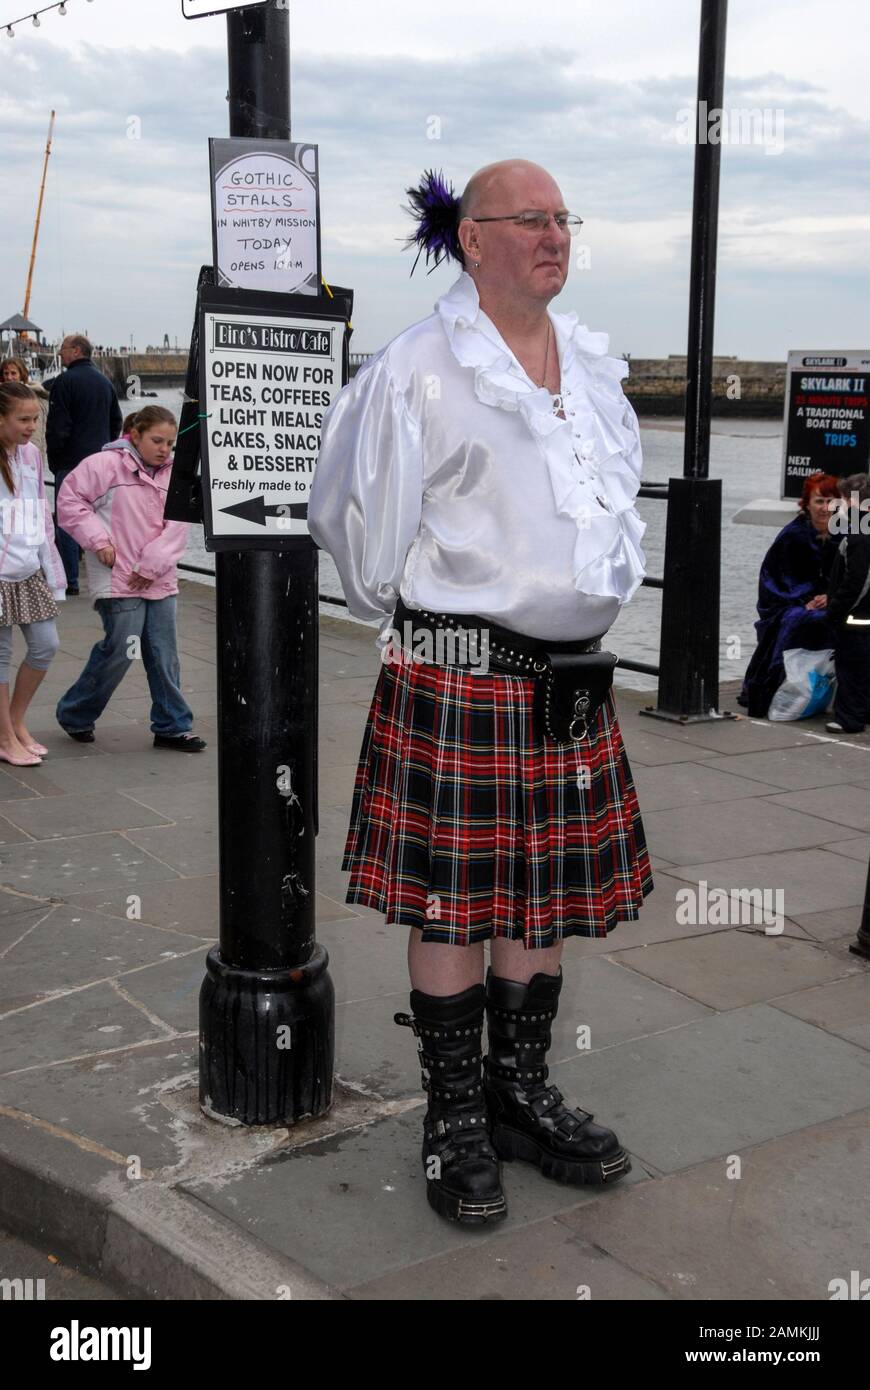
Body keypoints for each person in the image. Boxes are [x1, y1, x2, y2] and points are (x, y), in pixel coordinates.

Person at [309, 160, 652, 1226]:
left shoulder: (590, 365)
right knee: (453, 904)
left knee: (538, 902)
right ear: (469, 238)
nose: (553, 235)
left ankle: (518, 1094)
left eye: (562, 218)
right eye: (529, 220)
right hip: (460, 679)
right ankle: (453, 1116)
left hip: (569, 687)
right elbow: (355, 526)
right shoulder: (418, 369)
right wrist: (435, 621)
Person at [55, 406, 206, 752]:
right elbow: (69, 500)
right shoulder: (102, 466)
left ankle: (172, 725)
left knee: (164, 653)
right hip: (117, 575)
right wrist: (99, 541)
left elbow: (178, 527)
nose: (164, 449)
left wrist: (150, 566)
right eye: (157, 440)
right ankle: (76, 712)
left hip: (159, 578)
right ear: (134, 435)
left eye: (170, 442)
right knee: (122, 649)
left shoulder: (176, 475)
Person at [738, 472, 842, 717]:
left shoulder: (843, 534)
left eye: (830, 501)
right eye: (818, 501)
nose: (825, 508)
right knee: (799, 620)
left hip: (833, 599)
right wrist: (806, 600)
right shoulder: (792, 536)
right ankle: (779, 688)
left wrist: (831, 595)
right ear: (806, 503)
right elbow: (776, 580)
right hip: (788, 601)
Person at [0, 382, 66, 766]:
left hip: (27, 568)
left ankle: (14, 721)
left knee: (46, 644)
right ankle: (7, 738)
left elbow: (40, 511)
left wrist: (50, 567)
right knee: (2, 654)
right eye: (23, 419)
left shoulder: (31, 455)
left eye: (35, 418)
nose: (31, 425)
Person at [45, 334, 122, 596]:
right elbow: (116, 422)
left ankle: (70, 579)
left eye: (63, 349)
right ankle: (100, 571)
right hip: (101, 462)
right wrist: (108, 453)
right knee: (97, 517)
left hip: (71, 461)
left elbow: (57, 428)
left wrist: (55, 461)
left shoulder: (64, 382)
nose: (59, 353)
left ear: (76, 350)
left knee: (68, 518)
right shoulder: (105, 382)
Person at [825, 473, 870, 734]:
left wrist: (836, 610)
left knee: (851, 669)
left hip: (855, 620)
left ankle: (849, 719)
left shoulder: (858, 534)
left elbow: (858, 580)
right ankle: (861, 713)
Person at [1, 358, 50, 458]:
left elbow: (37, 432)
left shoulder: (32, 398)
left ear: (21, 374)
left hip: (30, 453)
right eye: (6, 373)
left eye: (13, 373)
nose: (9, 377)